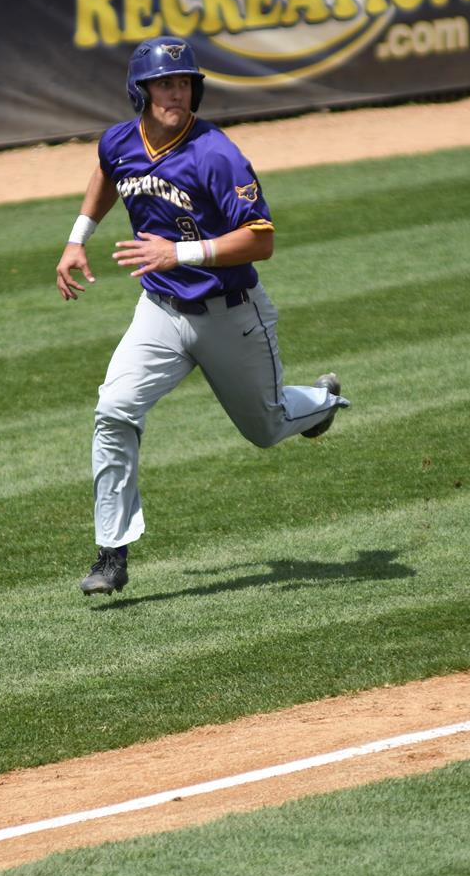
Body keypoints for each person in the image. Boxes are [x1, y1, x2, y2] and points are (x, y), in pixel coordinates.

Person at [55, 36, 350, 597]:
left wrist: (179, 252)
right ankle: (112, 552)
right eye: (165, 83)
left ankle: (322, 402)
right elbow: (107, 170)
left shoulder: (217, 153)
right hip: (161, 311)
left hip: (231, 315)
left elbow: (261, 240)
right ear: (140, 90)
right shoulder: (121, 139)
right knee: (114, 410)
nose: (177, 93)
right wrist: (78, 239)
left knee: (264, 430)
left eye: (185, 82)